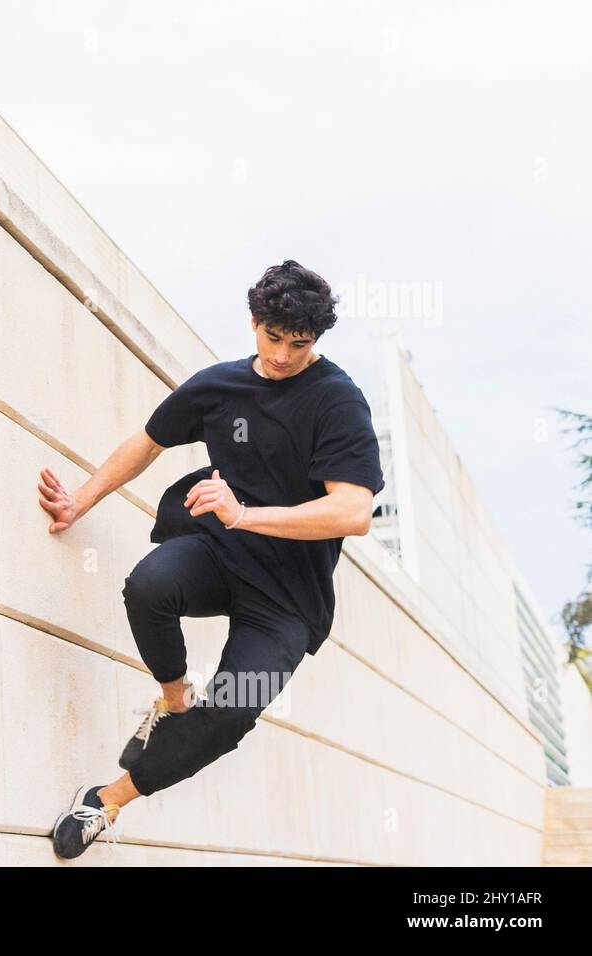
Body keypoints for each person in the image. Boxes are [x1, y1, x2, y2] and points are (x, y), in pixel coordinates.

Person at [42, 260, 386, 860]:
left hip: (288, 598)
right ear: (254, 323)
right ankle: (173, 698)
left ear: (317, 340)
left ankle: (107, 798)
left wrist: (247, 514)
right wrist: (80, 501)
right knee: (149, 586)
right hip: (219, 556)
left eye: (298, 344)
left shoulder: (337, 401)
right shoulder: (220, 386)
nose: (281, 355)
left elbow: (353, 511)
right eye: (272, 337)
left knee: (230, 715)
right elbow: (147, 441)